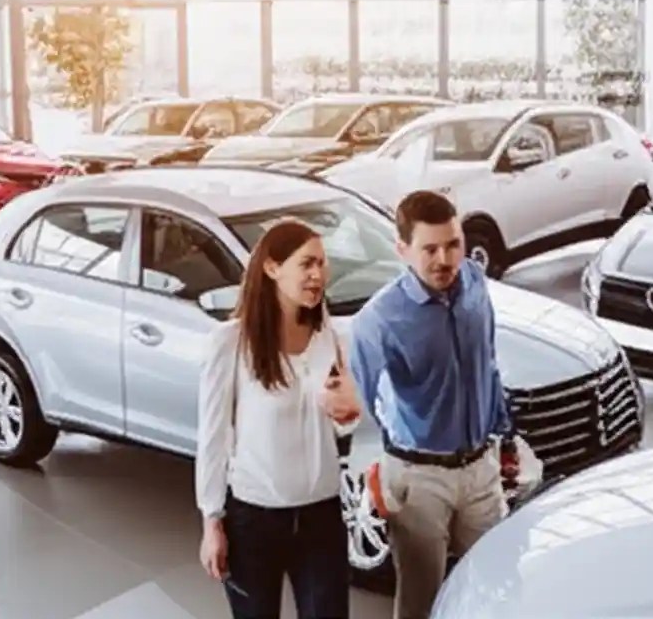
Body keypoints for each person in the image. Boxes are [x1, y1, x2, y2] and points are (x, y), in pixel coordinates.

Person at [349, 190, 519, 619]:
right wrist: (377, 479)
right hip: (418, 479)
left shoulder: (477, 284)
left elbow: (489, 363)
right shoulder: (379, 320)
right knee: (421, 600)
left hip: (482, 469)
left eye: (453, 244)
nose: (445, 259)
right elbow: (358, 406)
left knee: (500, 584)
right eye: (430, 249)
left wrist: (508, 437)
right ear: (402, 250)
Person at [196, 218, 361, 619]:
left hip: (321, 515)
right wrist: (211, 522)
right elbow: (213, 437)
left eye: (322, 264)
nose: (318, 274)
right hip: (253, 520)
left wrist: (347, 414)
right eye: (306, 264)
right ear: (272, 268)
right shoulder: (231, 343)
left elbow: (342, 425)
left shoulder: (333, 339)